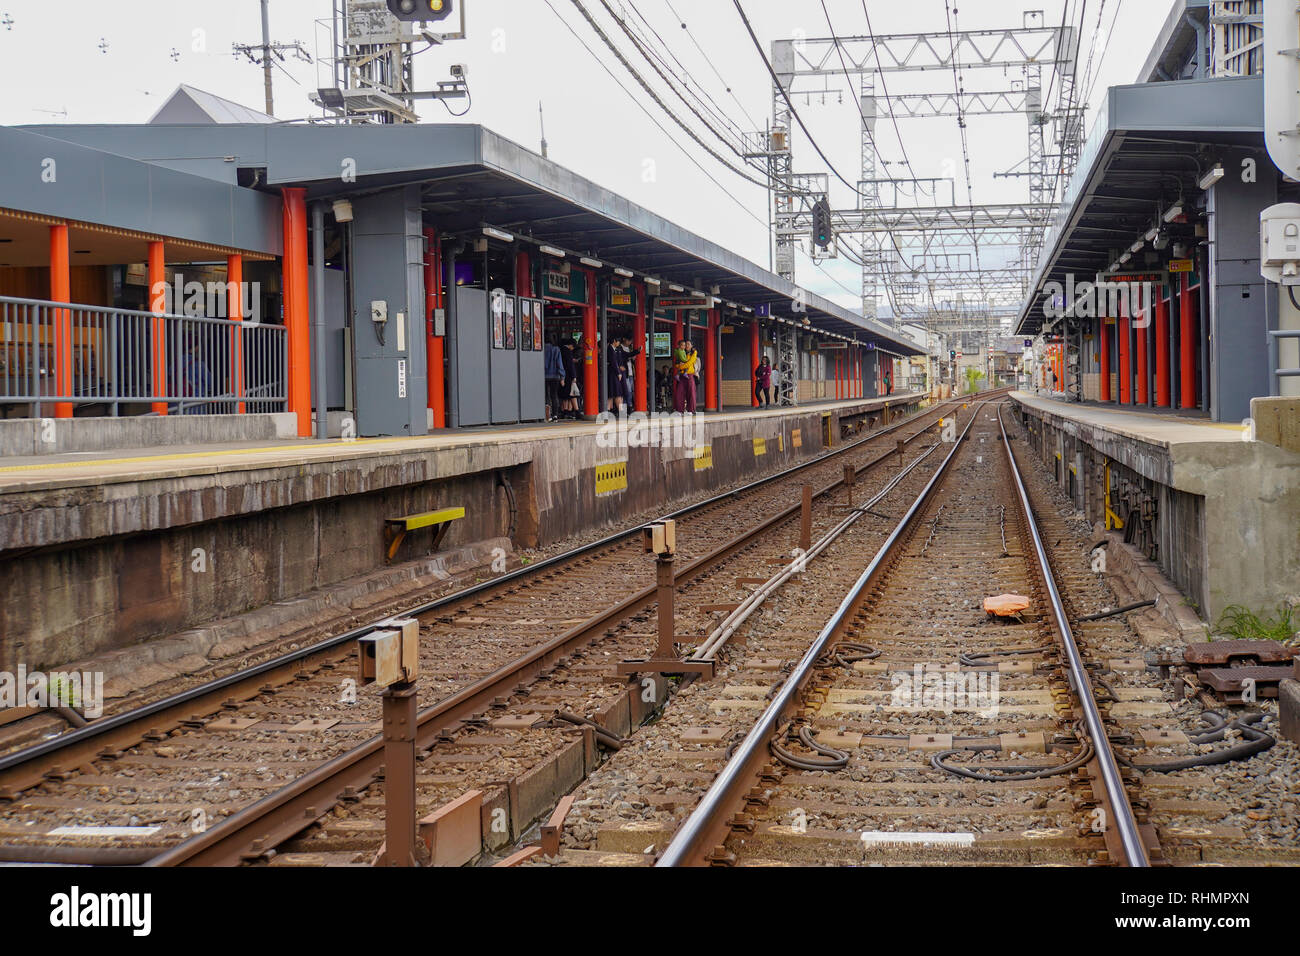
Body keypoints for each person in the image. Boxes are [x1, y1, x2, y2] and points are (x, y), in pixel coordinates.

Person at [672, 338, 700, 413]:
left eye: (688, 344)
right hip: (681, 376)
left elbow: (690, 363)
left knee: (691, 394)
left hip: (690, 375)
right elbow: (676, 365)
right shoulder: (681, 352)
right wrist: (680, 366)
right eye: (685, 344)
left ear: (691, 345)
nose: (686, 345)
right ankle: (679, 410)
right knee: (679, 393)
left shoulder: (694, 353)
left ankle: (691, 410)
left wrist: (681, 366)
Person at [544, 334, 564, 422]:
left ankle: (547, 415)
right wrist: (562, 376)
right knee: (554, 395)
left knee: (546, 395)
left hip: (544, 376)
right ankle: (555, 415)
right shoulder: (556, 349)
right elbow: (559, 364)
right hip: (555, 376)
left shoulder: (541, 348)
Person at [561, 336, 579, 419]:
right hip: (568, 375)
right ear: (571, 345)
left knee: (565, 395)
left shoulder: (560, 350)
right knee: (572, 394)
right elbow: (570, 365)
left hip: (562, 375)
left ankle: (565, 411)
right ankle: (576, 411)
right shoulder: (568, 352)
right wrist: (574, 376)